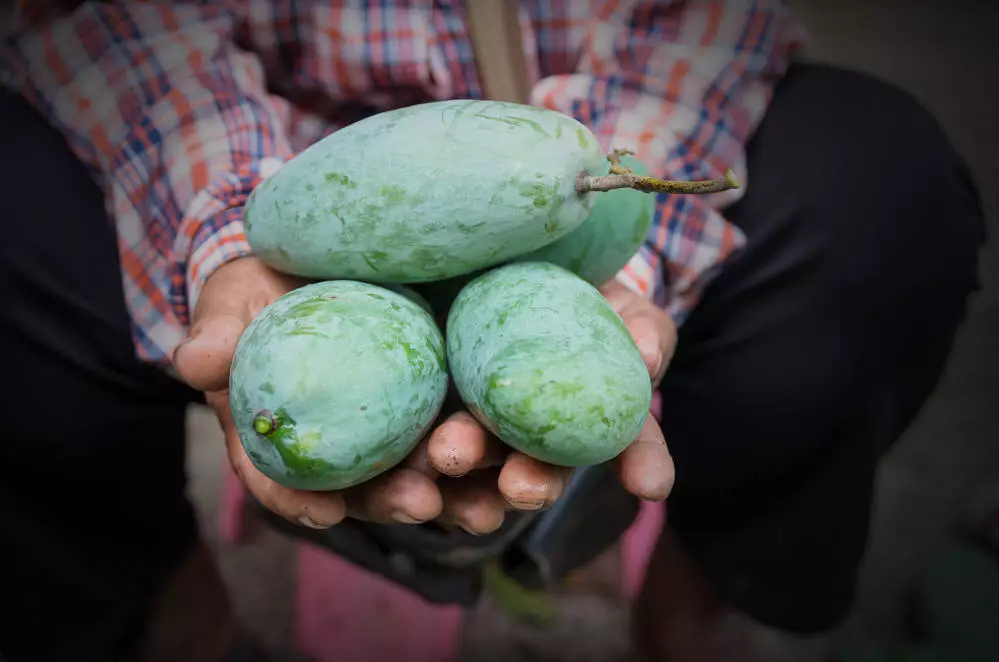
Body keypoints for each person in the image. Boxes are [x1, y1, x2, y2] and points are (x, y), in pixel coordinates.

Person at [0, 1, 985, 661]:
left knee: (882, 186)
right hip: (272, 155)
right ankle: (163, 605)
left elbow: (704, 26)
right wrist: (226, 240)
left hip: (586, 127)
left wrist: (604, 247)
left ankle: (701, 598)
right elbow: (106, 22)